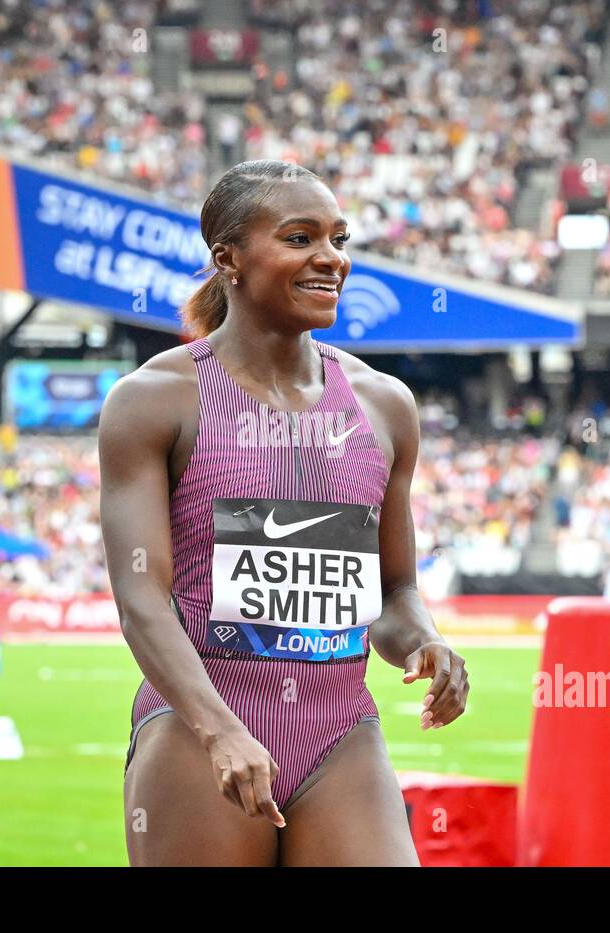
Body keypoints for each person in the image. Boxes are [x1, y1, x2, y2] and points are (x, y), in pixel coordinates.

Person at [100, 160, 470, 866]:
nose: (330, 258)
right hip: (197, 724)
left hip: (340, 729)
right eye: (300, 238)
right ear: (228, 260)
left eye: (337, 238)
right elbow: (141, 601)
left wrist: (425, 641)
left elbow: (392, 593)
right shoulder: (154, 400)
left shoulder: (383, 405)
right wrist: (219, 732)